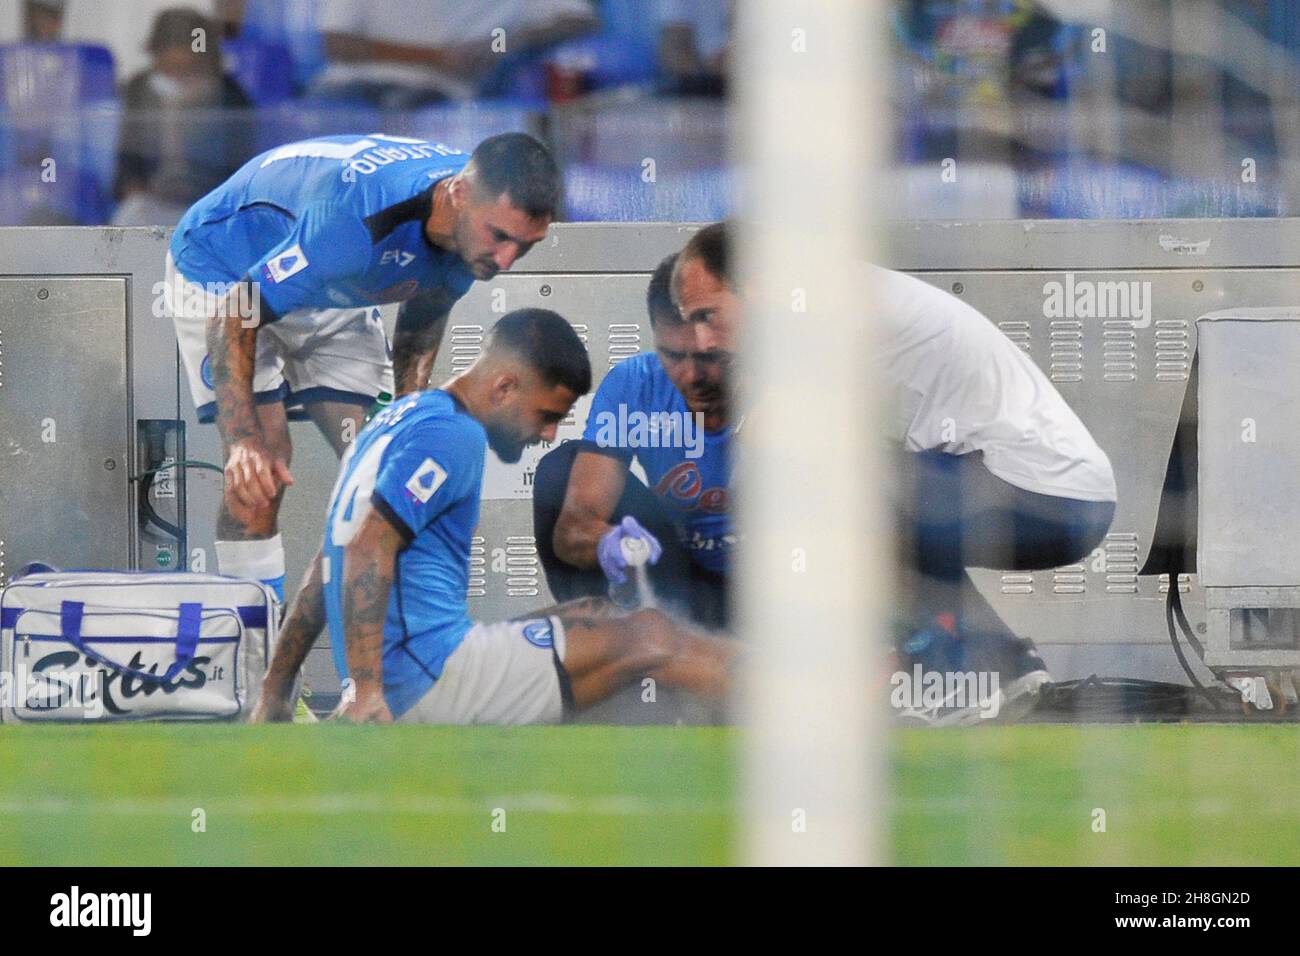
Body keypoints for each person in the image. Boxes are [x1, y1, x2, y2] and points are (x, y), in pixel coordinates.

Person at [251, 309, 737, 725]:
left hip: (421, 667)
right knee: (648, 635)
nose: (548, 436)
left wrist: (276, 689)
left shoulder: (400, 418)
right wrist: (364, 692)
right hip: (430, 678)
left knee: (597, 612)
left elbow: (327, 566)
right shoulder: (453, 435)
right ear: (505, 386)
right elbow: (365, 546)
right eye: (547, 414)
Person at [164, 131, 560, 602]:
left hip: (326, 282)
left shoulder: (474, 227)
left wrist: (406, 423)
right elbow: (237, 312)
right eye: (499, 237)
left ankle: (348, 664)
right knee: (263, 468)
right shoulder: (356, 221)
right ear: (457, 194)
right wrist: (242, 441)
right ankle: (251, 655)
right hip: (226, 272)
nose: (506, 260)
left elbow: (423, 317)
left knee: (381, 476)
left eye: (525, 245)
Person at [533, 246, 735, 629]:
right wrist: (610, 542)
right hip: (681, 580)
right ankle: (616, 649)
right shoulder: (636, 385)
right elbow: (573, 529)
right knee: (558, 469)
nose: (691, 375)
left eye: (709, 356)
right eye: (673, 356)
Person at [113, 7, 254, 227]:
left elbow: (241, 165)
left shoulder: (230, 96)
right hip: (152, 202)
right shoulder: (138, 89)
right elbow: (128, 160)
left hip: (212, 203)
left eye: (187, 56)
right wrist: (135, 190)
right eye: (171, 51)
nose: (180, 61)